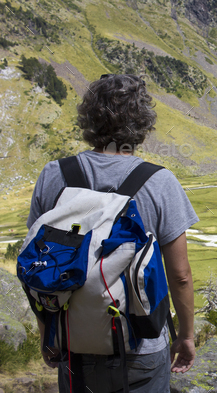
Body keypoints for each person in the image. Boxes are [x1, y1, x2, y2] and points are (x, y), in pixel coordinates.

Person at [26, 74, 198, 392]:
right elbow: (181, 276)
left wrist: (48, 334)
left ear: (88, 120)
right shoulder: (160, 182)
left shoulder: (53, 175)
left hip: (74, 344)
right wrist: (186, 336)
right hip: (143, 348)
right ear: (143, 122)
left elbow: (40, 269)